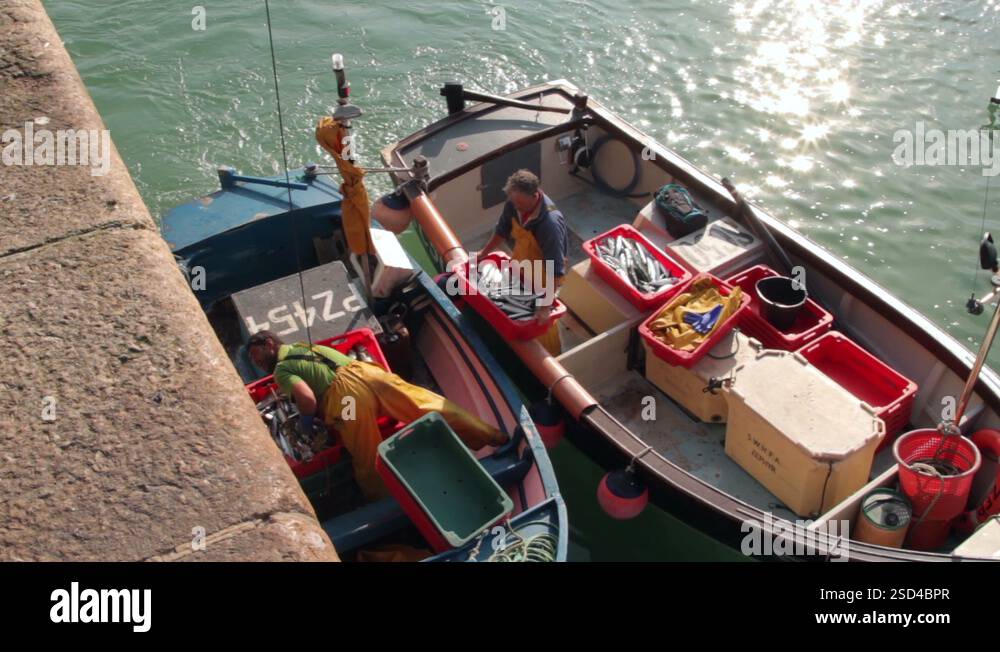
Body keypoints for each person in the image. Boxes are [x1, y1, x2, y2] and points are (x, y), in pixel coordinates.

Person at [247, 331, 507, 502]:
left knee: (366, 456)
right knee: (432, 406)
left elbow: (306, 397)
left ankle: (383, 506)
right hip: (369, 374)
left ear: (269, 344)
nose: (255, 361)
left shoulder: (281, 370)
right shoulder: (303, 346)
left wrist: (306, 419)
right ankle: (493, 435)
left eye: (254, 354)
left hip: (348, 399)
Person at [475, 169, 569, 355]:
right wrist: (483, 254)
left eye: (520, 204)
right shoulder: (514, 203)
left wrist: (544, 307)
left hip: (544, 275)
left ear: (535, 196)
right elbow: (502, 230)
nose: (516, 207)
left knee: (541, 325)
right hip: (521, 264)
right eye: (513, 202)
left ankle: (553, 355)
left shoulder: (549, 224)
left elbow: (556, 271)